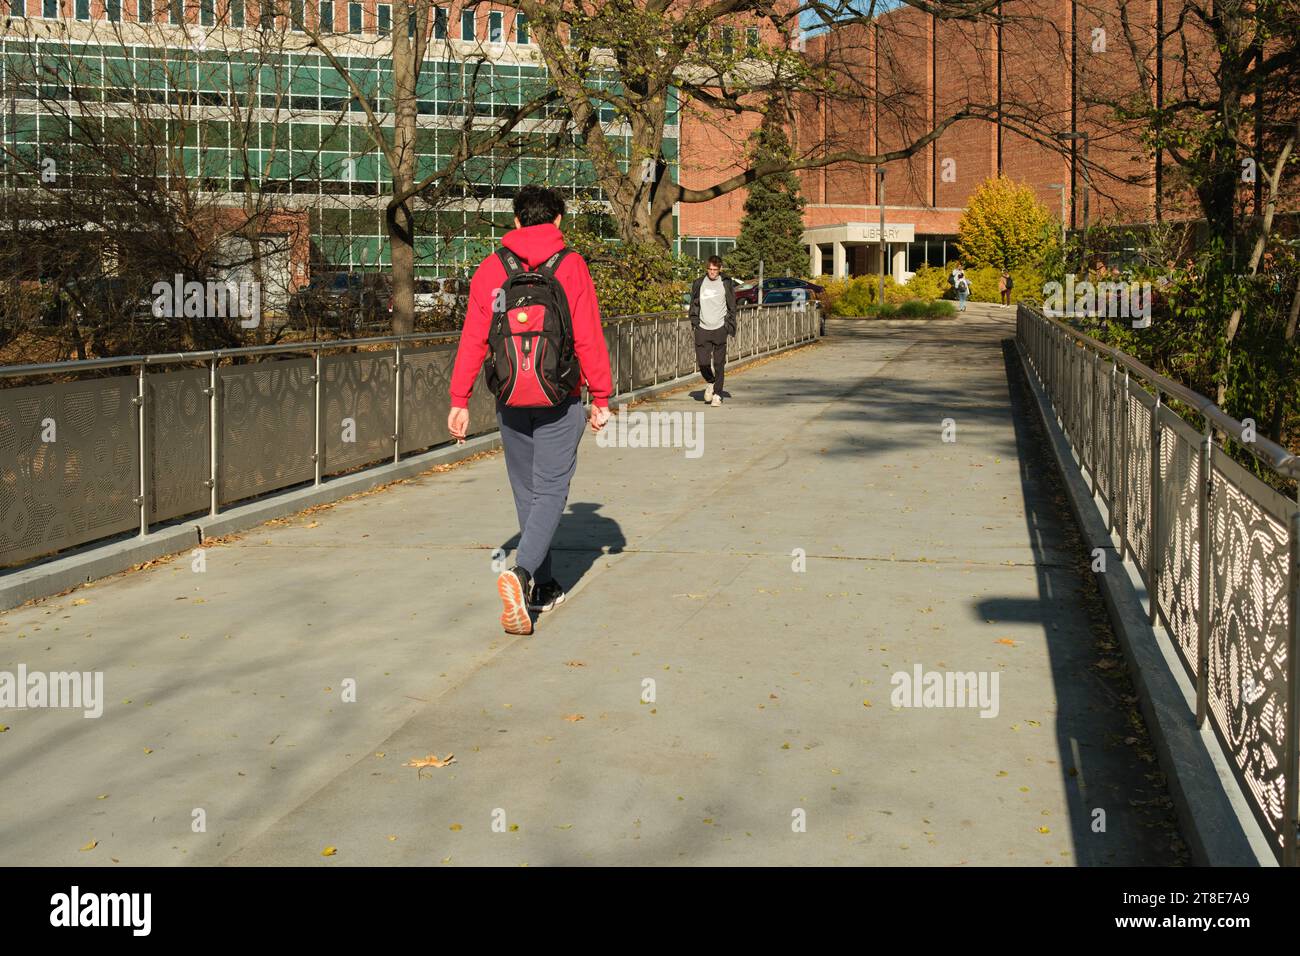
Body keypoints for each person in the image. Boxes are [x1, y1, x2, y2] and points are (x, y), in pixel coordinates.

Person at [447, 185, 612, 636]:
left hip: (510, 399)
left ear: (516, 222)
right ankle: (521, 577)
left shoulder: (493, 268)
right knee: (552, 490)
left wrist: (459, 400)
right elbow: (588, 336)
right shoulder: (571, 266)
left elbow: (474, 337)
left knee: (527, 493)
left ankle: (543, 585)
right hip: (560, 399)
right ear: (558, 220)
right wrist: (601, 397)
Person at [687, 255, 737, 406]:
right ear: (706, 269)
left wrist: (728, 325)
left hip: (719, 328)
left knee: (719, 363)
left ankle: (718, 394)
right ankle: (710, 381)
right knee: (702, 362)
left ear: (720, 269)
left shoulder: (726, 283)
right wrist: (695, 322)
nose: (712, 272)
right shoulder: (699, 283)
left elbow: (732, 306)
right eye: (710, 269)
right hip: (702, 328)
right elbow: (694, 303)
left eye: (715, 270)